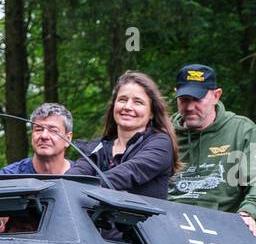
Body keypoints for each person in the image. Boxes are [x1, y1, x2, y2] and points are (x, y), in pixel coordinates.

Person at [167, 63, 256, 238]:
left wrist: (248, 212)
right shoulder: (162, 133)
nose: (189, 107)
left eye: (197, 99)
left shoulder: (243, 131)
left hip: (221, 230)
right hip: (168, 227)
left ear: (216, 96)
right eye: (184, 99)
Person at [65, 71, 179, 199]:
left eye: (138, 102)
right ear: (114, 105)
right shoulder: (100, 147)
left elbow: (128, 173)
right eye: (122, 100)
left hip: (144, 219)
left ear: (152, 112)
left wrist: (80, 188)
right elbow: (76, 174)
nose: (128, 107)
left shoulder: (161, 144)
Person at [0, 103, 74, 175]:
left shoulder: (82, 177)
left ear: (68, 138)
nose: (44, 136)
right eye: (38, 129)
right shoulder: (10, 176)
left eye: (53, 131)